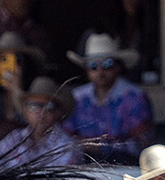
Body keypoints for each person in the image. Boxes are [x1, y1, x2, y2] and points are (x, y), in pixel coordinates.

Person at [62, 34, 153, 164]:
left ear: (118, 67)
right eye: (93, 65)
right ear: (86, 70)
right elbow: (66, 138)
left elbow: (140, 144)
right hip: (84, 164)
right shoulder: (77, 97)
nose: (100, 71)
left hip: (126, 165)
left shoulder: (135, 97)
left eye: (107, 64)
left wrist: (99, 147)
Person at [0, 77, 82, 171]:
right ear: (25, 111)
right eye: (33, 106)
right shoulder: (14, 138)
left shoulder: (67, 145)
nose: (41, 112)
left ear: (58, 112)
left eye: (48, 106)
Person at [0, 32, 45, 155]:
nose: (8, 67)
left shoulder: (37, 93)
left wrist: (17, 92)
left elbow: (38, 128)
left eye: (15, 60)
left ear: (24, 65)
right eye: (3, 59)